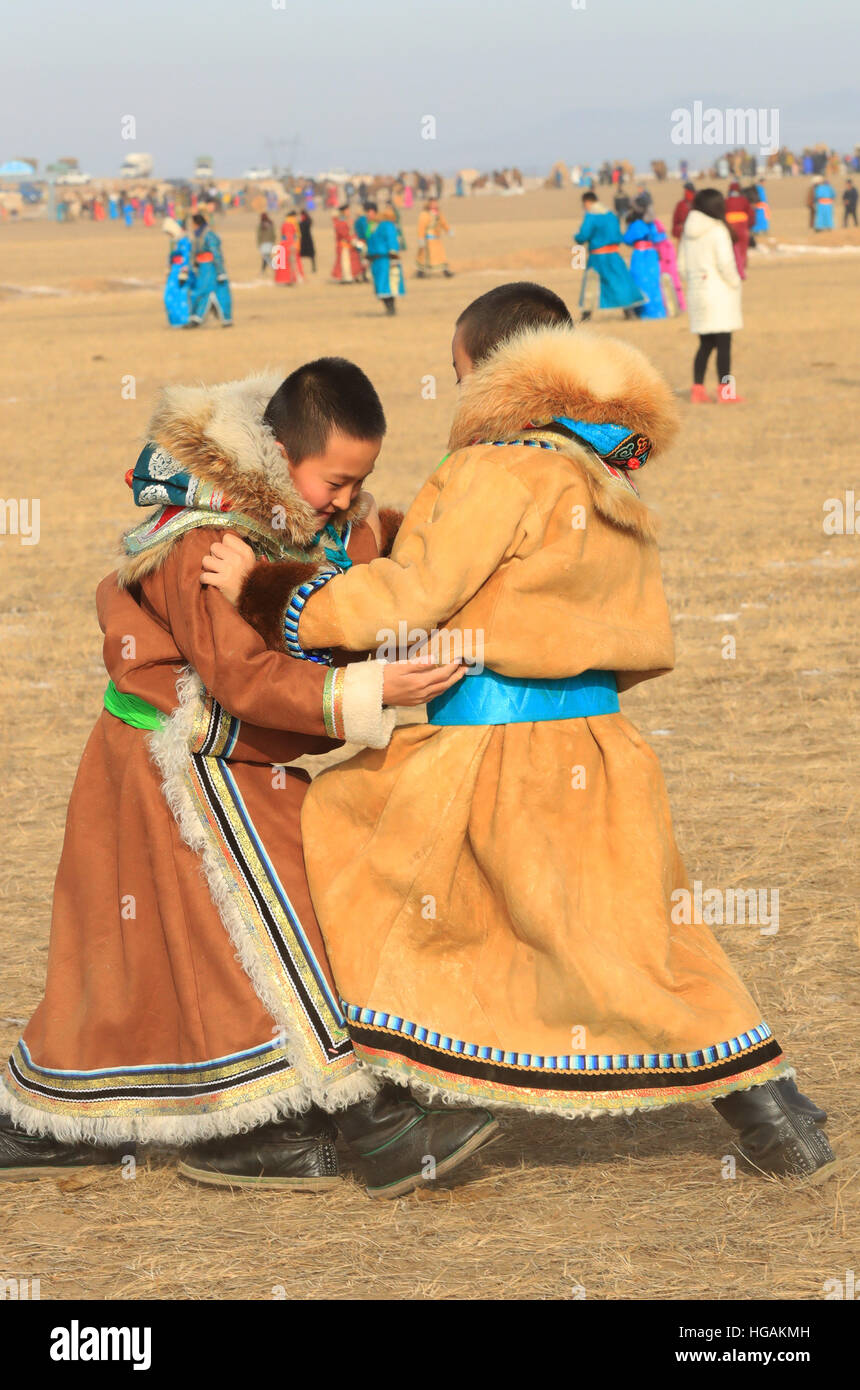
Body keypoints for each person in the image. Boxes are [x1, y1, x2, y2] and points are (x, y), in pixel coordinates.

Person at [203, 282, 833, 1181]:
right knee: (641, 937)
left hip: (493, 748)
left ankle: (389, 1104)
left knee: (350, 846)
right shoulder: (604, 469)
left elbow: (414, 593)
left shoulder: (493, 468)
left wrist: (272, 593)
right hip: (602, 745)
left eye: (458, 373)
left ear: (490, 370)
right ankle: (777, 1112)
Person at [0, 358, 495, 1198]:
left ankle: (254, 1127)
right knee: (284, 918)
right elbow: (241, 676)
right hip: (182, 752)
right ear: (281, 451)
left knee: (175, 963)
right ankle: (370, 1124)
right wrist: (369, 689)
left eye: (360, 481)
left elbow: (363, 565)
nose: (346, 499)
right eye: (338, 479)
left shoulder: (297, 512)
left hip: (233, 752)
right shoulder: (200, 536)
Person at [678, 188, 743, 404]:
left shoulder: (688, 231)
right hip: (719, 292)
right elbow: (725, 264)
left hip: (698, 291)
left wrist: (697, 279)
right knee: (724, 345)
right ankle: (726, 392)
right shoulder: (717, 230)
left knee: (705, 344)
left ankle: (697, 389)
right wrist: (735, 282)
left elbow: (682, 267)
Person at [572, 190, 644, 321]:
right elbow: (618, 235)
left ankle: (586, 315)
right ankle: (629, 312)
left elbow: (583, 236)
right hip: (614, 255)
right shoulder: (611, 214)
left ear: (587, 202)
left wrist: (576, 236)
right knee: (621, 282)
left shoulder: (591, 215)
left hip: (597, 257)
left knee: (591, 283)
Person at [188, 213, 232, 326]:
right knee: (200, 291)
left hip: (211, 268)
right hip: (202, 269)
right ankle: (197, 317)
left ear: (197, 224)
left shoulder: (209, 235)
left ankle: (224, 317)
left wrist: (220, 272)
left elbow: (216, 253)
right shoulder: (197, 236)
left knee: (211, 291)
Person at [622, 206, 667, 318]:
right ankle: (658, 311)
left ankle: (643, 311)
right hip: (652, 254)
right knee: (654, 282)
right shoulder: (651, 224)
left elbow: (627, 239)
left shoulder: (636, 225)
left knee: (639, 282)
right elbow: (659, 236)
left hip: (640, 255)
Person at [366, 206, 404, 314]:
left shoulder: (384, 226)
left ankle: (390, 308)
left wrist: (393, 254)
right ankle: (389, 308)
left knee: (386, 286)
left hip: (384, 259)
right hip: (380, 260)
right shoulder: (380, 226)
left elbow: (392, 241)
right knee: (384, 285)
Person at [162, 216, 194, 327]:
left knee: (181, 296)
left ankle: (183, 320)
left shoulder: (185, 241)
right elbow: (171, 257)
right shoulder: (174, 243)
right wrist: (168, 268)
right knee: (168, 296)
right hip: (173, 272)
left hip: (181, 272)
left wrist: (184, 272)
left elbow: (187, 257)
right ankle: (175, 320)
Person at [416, 199, 453, 277]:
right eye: (432, 203)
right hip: (428, 240)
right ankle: (420, 272)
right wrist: (421, 238)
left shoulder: (438, 213)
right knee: (424, 257)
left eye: (435, 203)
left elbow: (443, 223)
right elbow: (421, 227)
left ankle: (445, 271)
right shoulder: (425, 214)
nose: (434, 204)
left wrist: (448, 230)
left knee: (440, 256)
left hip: (436, 239)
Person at [725, 181, 754, 279]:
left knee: (731, 250)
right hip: (742, 228)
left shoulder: (726, 201)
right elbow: (751, 214)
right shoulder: (744, 200)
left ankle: (733, 270)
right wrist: (749, 226)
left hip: (730, 229)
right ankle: (741, 271)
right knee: (742, 250)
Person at [331, 205, 363, 283]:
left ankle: (352, 276)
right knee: (345, 262)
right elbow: (343, 233)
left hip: (351, 244)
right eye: (347, 211)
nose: (349, 212)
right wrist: (352, 240)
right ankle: (346, 277)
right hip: (344, 245)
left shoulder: (348, 220)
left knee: (353, 261)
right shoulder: (341, 221)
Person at [274, 211, 303, 286]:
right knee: (292, 262)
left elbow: (283, 236)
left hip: (284, 244)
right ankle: (292, 278)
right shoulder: (294, 224)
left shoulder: (284, 224)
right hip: (291, 244)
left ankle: (282, 278)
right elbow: (296, 236)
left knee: (282, 262)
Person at [299, 209, 316, 274]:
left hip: (307, 239)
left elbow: (304, 226)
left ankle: (314, 268)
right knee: (300, 255)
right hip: (303, 240)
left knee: (311, 255)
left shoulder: (307, 221)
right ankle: (301, 268)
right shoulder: (304, 221)